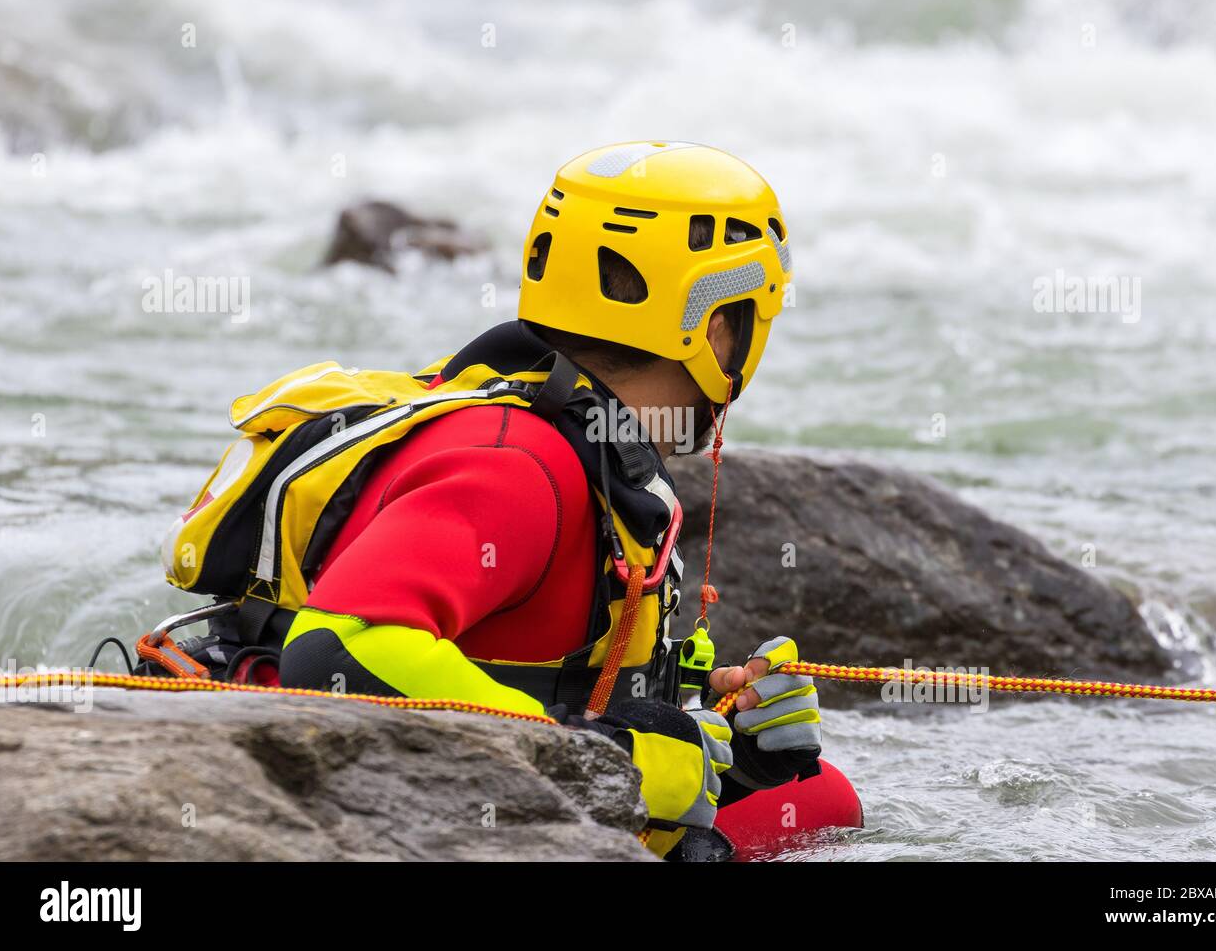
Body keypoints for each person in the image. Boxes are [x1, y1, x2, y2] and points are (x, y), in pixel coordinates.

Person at [278, 141, 838, 859]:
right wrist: (606, 761)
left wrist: (728, 727)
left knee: (816, 800)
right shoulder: (517, 467)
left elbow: (549, 656)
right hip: (375, 800)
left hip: (491, 774)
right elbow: (334, 649)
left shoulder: (594, 446)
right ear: (717, 328)